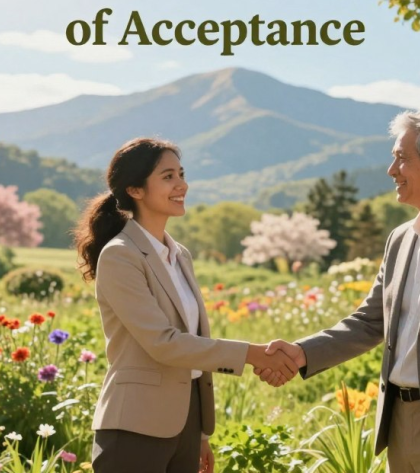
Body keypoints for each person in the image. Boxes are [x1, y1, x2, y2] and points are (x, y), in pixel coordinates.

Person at [260, 110, 420, 473]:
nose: (391, 170)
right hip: (396, 425)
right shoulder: (400, 239)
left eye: (402, 158)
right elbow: (370, 322)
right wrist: (300, 353)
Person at [75, 137, 298, 473]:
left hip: (185, 424)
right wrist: (252, 354)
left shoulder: (179, 255)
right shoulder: (120, 255)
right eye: (168, 177)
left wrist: (200, 434)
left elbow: (191, 339)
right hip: (135, 427)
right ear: (135, 189)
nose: (182, 184)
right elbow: (163, 344)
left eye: (181, 174)